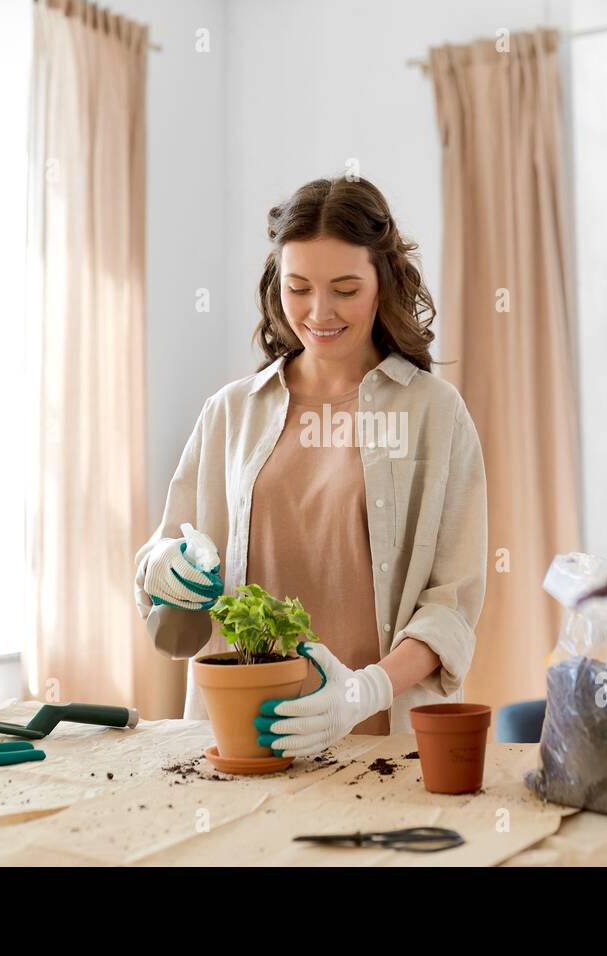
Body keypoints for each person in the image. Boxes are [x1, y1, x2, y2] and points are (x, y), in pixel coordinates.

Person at [133, 175, 487, 757]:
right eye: (299, 288)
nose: (319, 312)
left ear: (383, 283)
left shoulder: (435, 413)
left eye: (345, 289)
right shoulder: (231, 412)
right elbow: (164, 550)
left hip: (379, 740)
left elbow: (451, 603)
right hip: (239, 732)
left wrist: (364, 691)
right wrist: (164, 568)